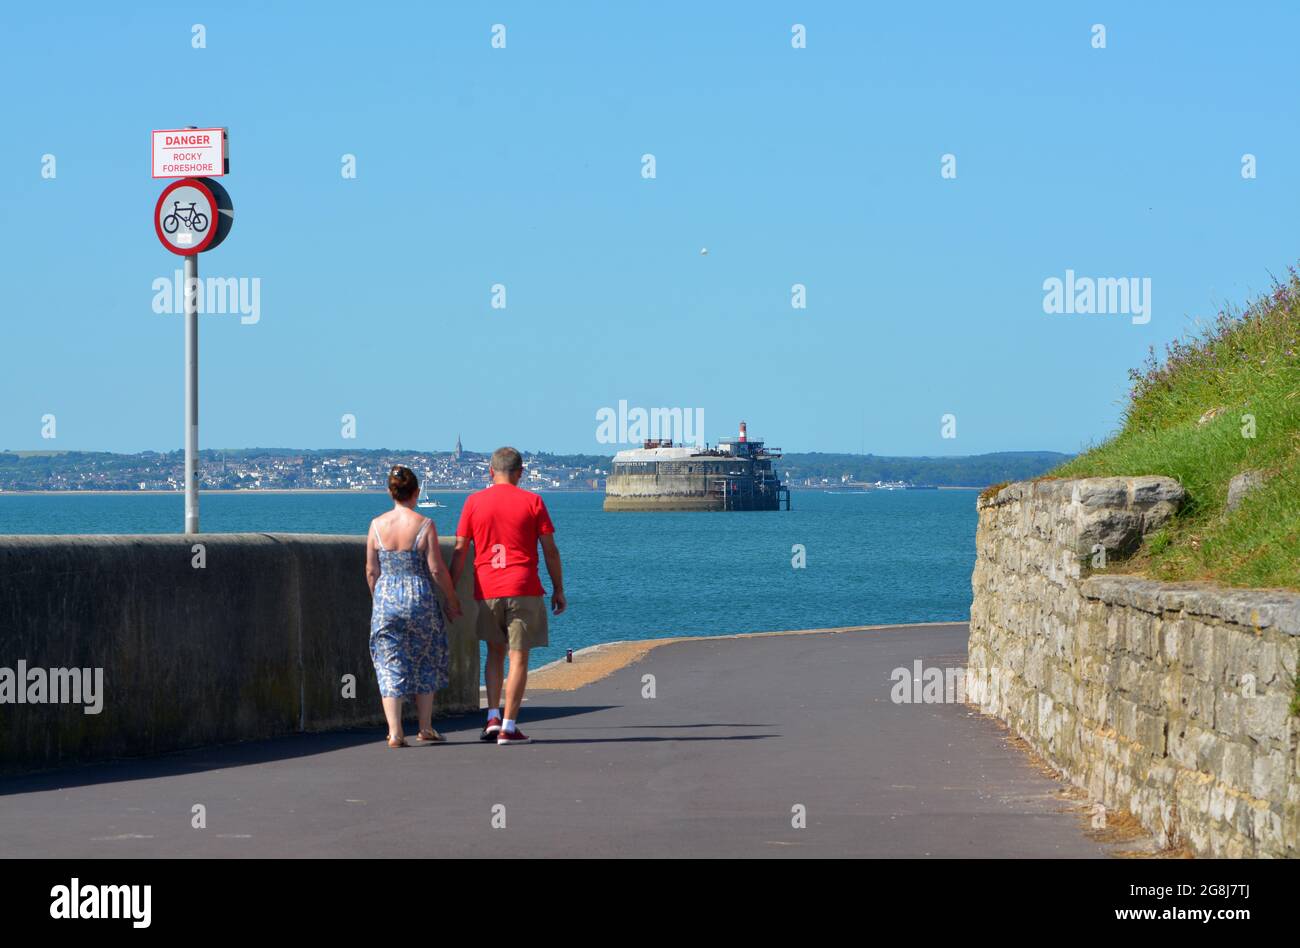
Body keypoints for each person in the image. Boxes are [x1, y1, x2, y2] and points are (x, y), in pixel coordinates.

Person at [451, 447, 565, 745]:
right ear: (520, 473)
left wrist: (451, 589)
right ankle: (509, 726)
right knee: (518, 658)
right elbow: (550, 550)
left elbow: (461, 549)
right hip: (523, 588)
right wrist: (559, 588)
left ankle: (492, 716)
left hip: (487, 589)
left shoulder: (474, 502)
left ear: (491, 471)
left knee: (494, 654)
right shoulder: (533, 501)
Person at [366, 465, 462, 748]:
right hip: (419, 596)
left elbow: (371, 570)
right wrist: (451, 599)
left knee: (388, 661)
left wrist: (379, 598)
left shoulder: (376, 525)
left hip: (387, 596)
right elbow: (436, 569)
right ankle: (425, 727)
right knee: (425, 658)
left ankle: (395, 731)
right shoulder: (424, 524)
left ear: (390, 492)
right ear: (416, 493)